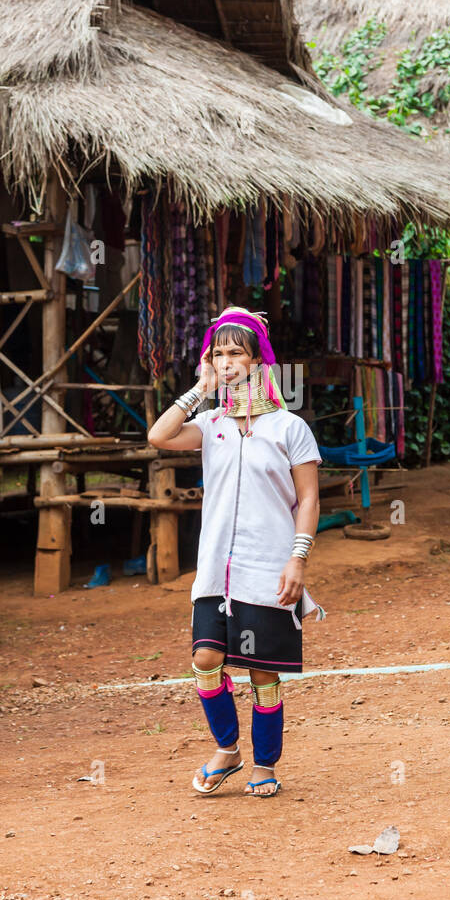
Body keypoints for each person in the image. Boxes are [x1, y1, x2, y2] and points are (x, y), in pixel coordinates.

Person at [147, 306, 324, 797]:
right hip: (214, 573)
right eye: (218, 353)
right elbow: (158, 435)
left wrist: (298, 558)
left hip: (268, 568)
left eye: (236, 353)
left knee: (262, 671)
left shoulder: (290, 428)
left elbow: (308, 498)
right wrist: (200, 390)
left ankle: (265, 764)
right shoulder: (209, 425)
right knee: (206, 659)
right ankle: (227, 749)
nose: (226, 362)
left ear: (258, 362)